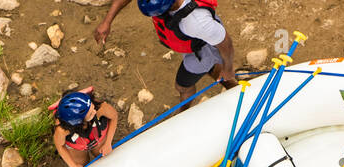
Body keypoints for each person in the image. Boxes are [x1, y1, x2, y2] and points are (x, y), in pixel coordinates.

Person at [94, 0, 237, 109]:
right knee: (212, 69)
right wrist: (107, 21)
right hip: (191, 39)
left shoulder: (197, 22)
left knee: (183, 86)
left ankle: (185, 112)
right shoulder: (172, 8)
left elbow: (225, 43)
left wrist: (228, 68)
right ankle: (232, 85)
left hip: (202, 49)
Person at [51, 88, 120, 167]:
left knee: (102, 156)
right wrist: (73, 166)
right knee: (83, 166)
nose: (94, 112)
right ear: (79, 121)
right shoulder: (63, 130)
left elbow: (114, 116)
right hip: (77, 146)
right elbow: (60, 146)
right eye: (91, 113)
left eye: (92, 107)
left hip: (97, 137)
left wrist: (108, 143)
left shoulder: (99, 109)